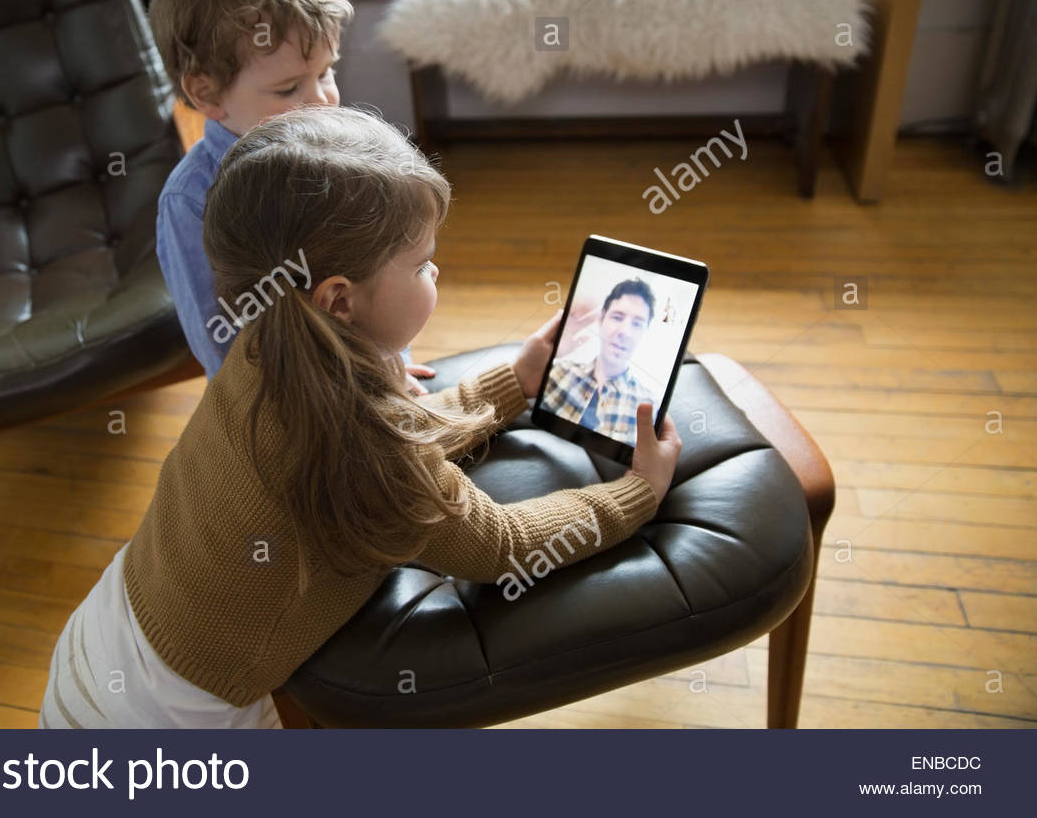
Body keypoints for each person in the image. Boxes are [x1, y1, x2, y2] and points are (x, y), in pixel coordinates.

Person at [38, 107, 682, 729]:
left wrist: (513, 383)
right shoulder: (360, 445)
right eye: (423, 263)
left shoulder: (267, 344)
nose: (437, 271)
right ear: (340, 299)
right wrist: (638, 493)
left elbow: (408, 426)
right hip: (173, 715)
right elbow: (503, 548)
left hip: (105, 630)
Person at [147, 0, 434, 391]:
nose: (322, 100)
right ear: (206, 93)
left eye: (326, 73)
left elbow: (380, 278)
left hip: (370, 380)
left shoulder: (340, 155)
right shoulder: (191, 203)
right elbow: (223, 346)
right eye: (289, 89)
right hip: (287, 406)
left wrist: (388, 359)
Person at [542, 278, 659, 447]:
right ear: (601, 319)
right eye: (617, 317)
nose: (625, 332)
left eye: (637, 324)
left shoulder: (650, 408)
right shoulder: (557, 372)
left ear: (644, 333)